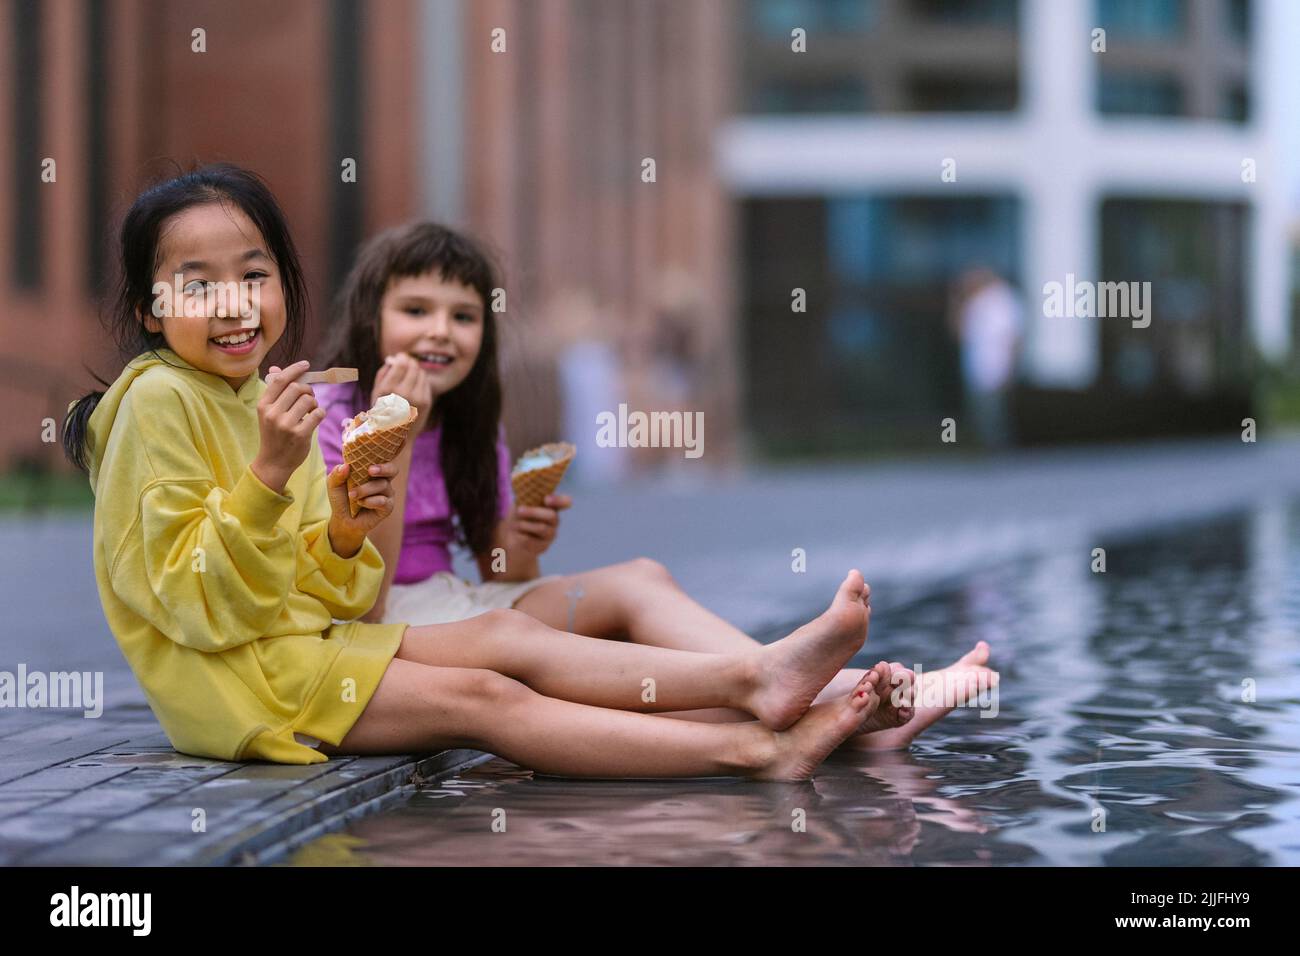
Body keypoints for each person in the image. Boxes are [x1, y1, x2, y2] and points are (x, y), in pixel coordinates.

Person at [62, 163, 912, 779]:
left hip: (303, 644)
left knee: (509, 638)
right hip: (236, 685)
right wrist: (272, 478)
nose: (236, 302)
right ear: (150, 308)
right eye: (197, 284)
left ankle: (763, 685)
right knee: (485, 700)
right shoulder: (157, 407)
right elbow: (192, 603)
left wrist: (350, 523)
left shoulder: (257, 396)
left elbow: (339, 594)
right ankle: (756, 738)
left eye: (255, 274)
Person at [314, 221, 998, 747]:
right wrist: (392, 436)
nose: (441, 332)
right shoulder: (334, 416)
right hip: (384, 622)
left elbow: (503, 573)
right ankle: (850, 694)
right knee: (588, 669)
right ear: (371, 320)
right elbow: (363, 600)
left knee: (640, 576)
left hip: (458, 603)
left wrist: (522, 540)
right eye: (416, 311)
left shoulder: (471, 426)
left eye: (463, 316)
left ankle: (818, 696)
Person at [950, 268, 1023, 449]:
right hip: (976, 368)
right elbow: (959, 333)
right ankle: (988, 451)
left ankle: (1000, 451)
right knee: (981, 413)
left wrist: (1011, 368)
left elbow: (1014, 338)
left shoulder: (1004, 299)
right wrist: (958, 301)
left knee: (994, 415)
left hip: (997, 367)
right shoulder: (975, 302)